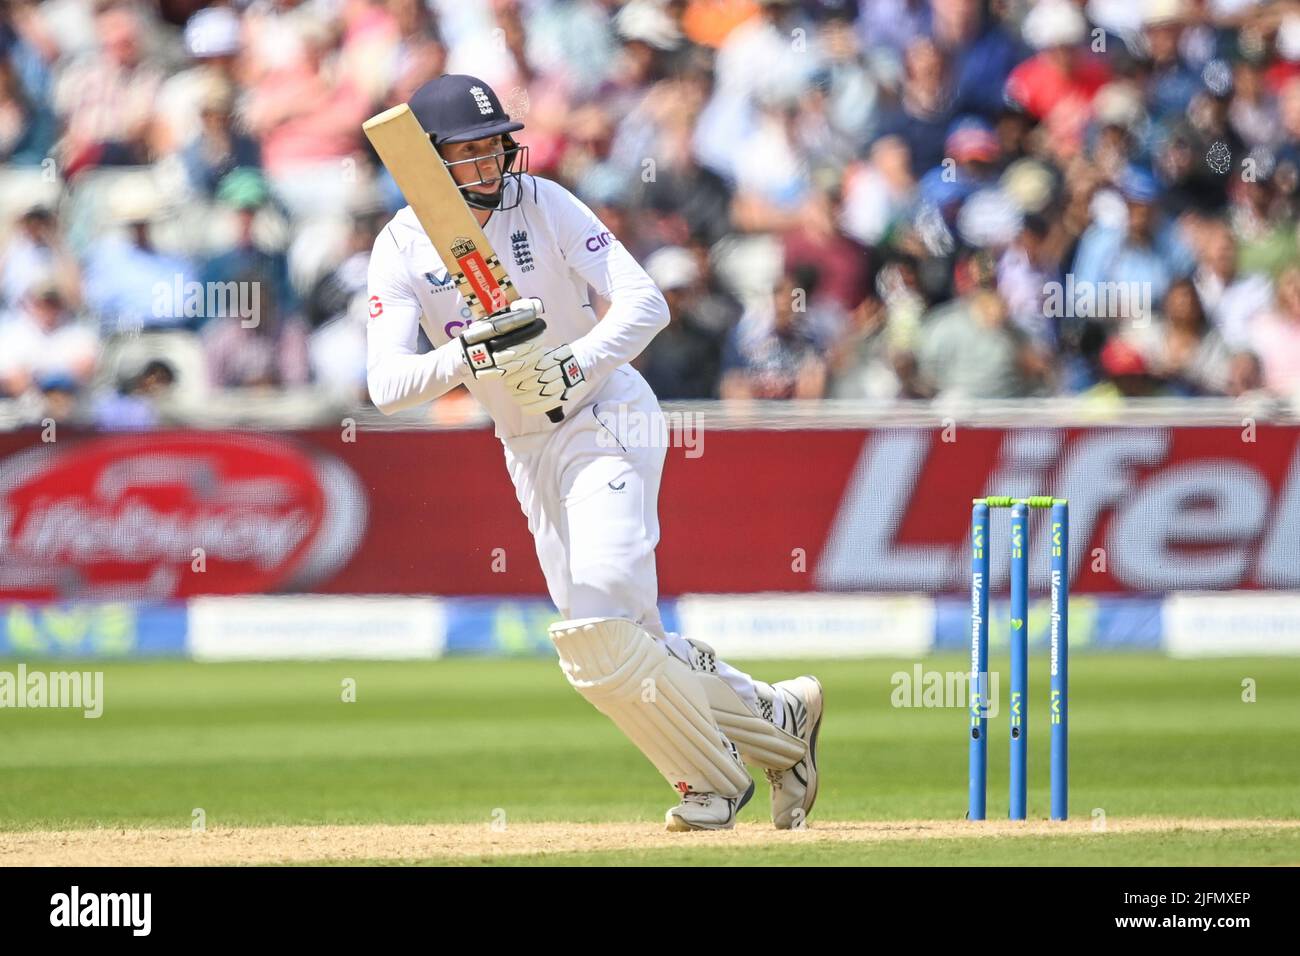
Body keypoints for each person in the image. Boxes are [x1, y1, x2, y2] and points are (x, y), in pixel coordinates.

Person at [365, 75, 822, 832]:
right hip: (527, 444)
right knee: (610, 647)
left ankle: (710, 784)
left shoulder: (543, 202)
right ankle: (778, 716)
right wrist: (464, 359)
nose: (491, 163)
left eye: (495, 146)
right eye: (470, 151)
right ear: (433, 161)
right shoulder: (400, 246)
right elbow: (386, 385)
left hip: (607, 411)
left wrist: (574, 363)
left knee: (606, 609)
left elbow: (646, 301)